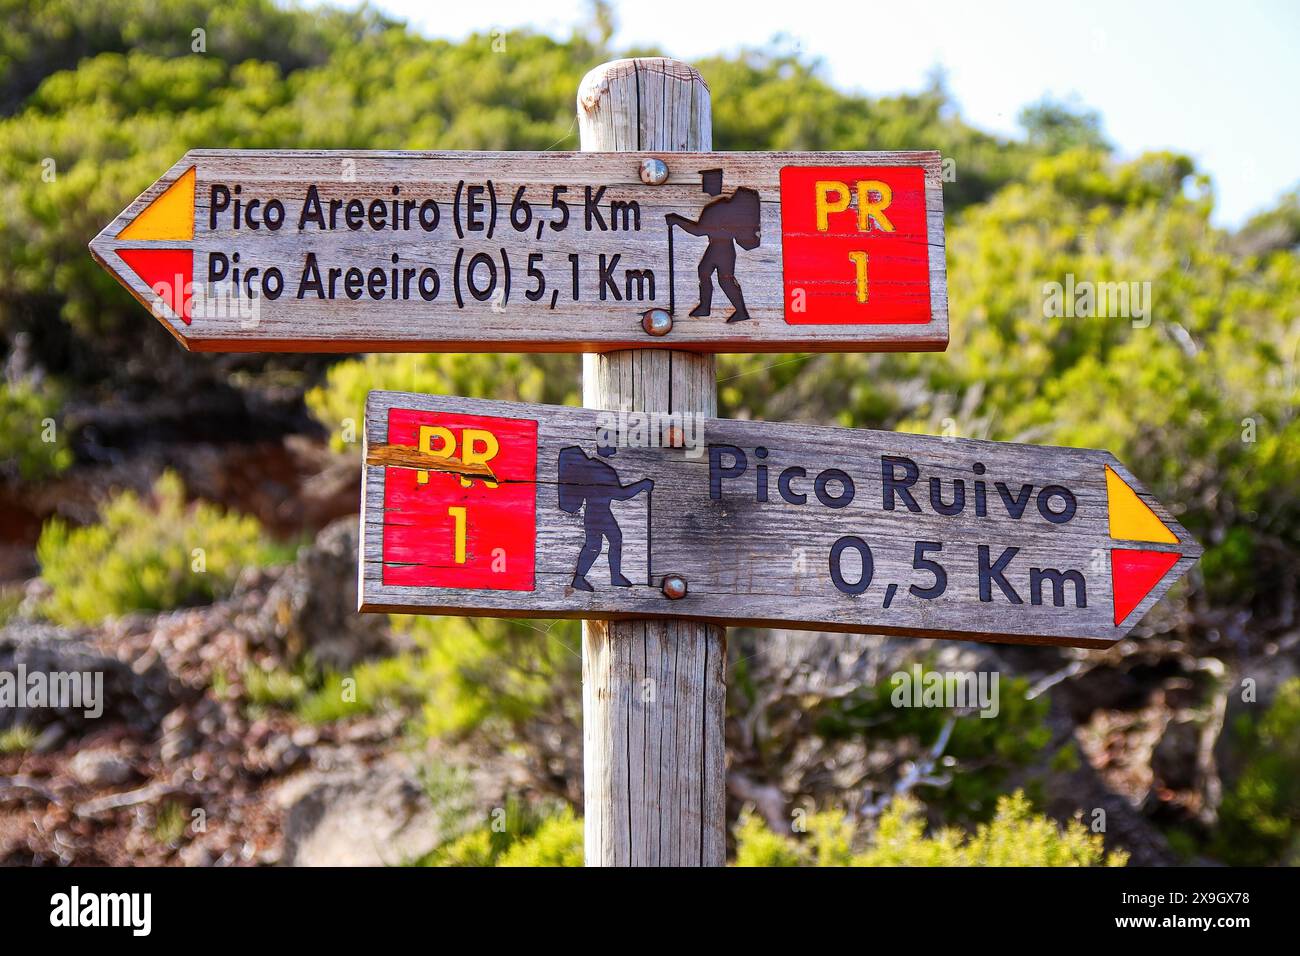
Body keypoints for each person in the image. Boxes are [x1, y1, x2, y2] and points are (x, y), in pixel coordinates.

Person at [665, 168, 761, 323]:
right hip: (719, 247)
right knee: (704, 272)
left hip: (722, 249)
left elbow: (698, 231)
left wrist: (677, 221)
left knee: (725, 279)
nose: (705, 187)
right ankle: (705, 307)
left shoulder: (716, 208)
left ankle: (740, 311)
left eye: (707, 183)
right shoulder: (720, 206)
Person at [557, 443, 653, 591]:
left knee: (610, 541)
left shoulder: (594, 468)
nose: (614, 448)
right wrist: (642, 485)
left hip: (598, 513)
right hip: (597, 515)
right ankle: (581, 578)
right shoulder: (599, 470)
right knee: (595, 545)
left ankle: (611, 576)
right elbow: (621, 495)